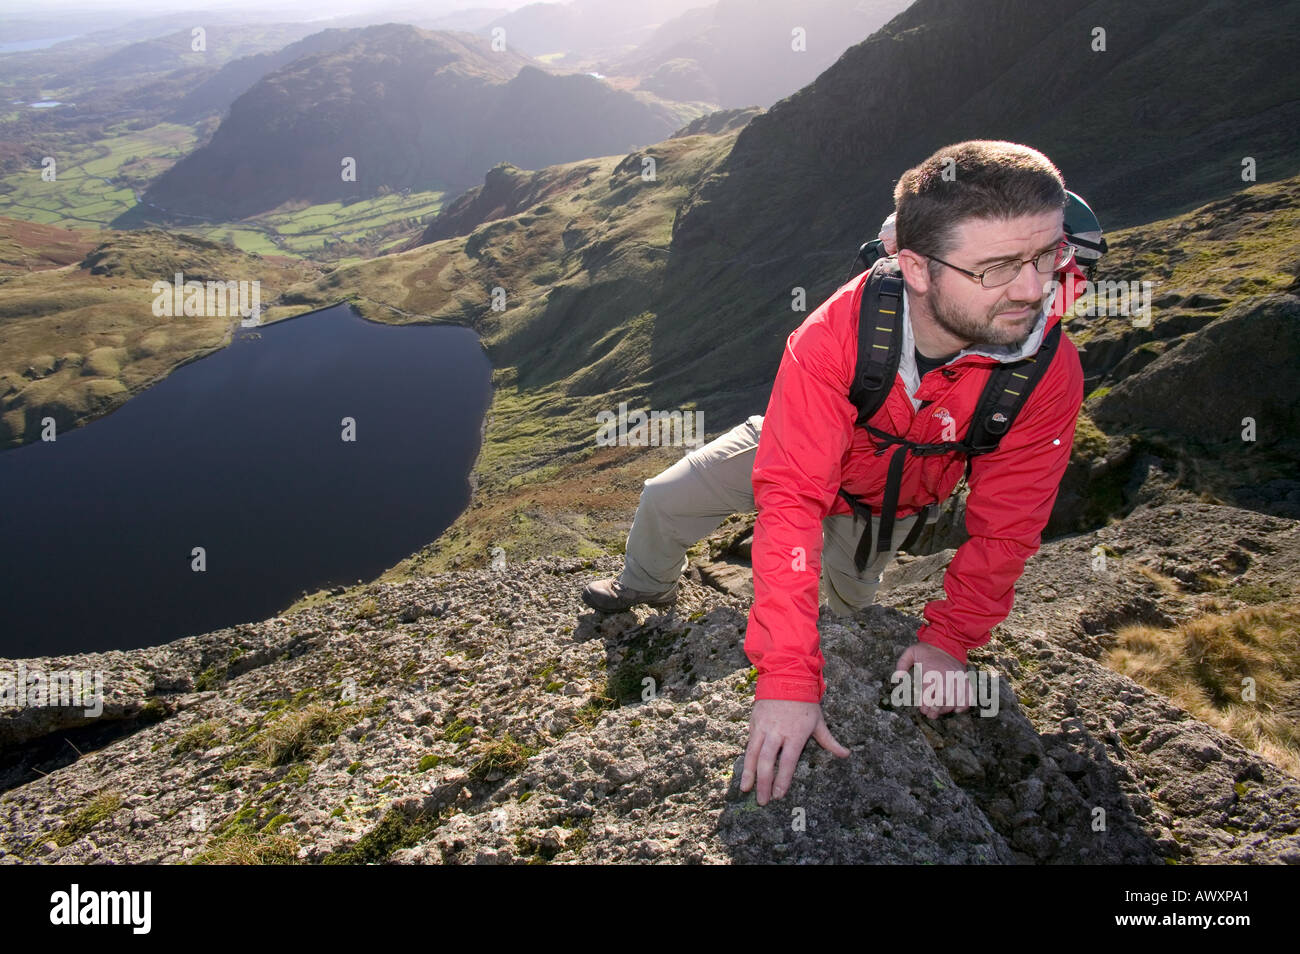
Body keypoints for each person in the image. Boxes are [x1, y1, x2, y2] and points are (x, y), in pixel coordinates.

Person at [582, 140, 1087, 805]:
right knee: (667, 498)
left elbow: (1008, 528)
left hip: (889, 507)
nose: (1033, 290)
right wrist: (787, 679)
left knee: (850, 616)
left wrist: (950, 641)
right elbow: (791, 500)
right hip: (800, 451)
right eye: (995, 267)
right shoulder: (837, 335)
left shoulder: (1047, 372)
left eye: (1049, 256)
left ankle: (841, 610)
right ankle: (643, 592)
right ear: (915, 267)